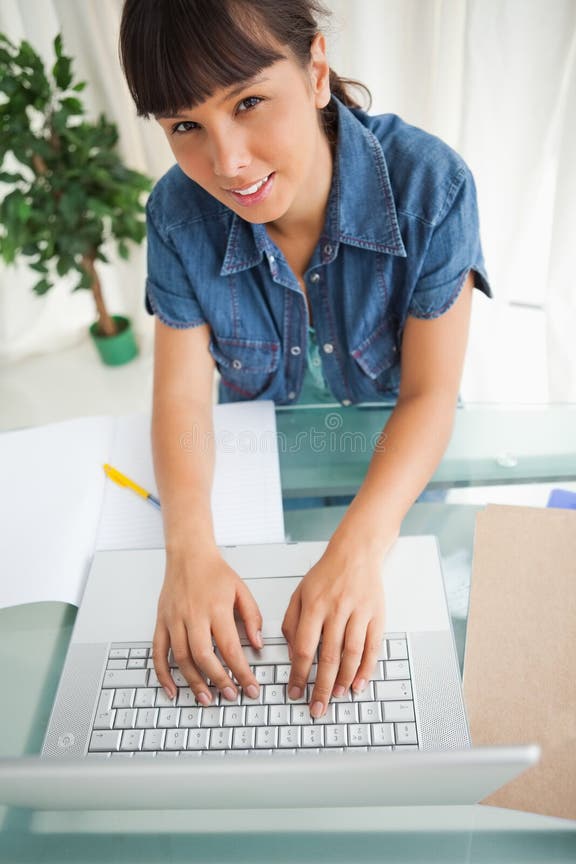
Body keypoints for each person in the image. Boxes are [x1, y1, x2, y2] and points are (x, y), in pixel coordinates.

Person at [119, 0, 491, 721]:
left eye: (250, 102)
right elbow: (182, 402)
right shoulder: (175, 215)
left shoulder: (431, 188)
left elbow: (430, 395)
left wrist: (358, 551)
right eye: (184, 126)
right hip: (265, 483)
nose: (227, 162)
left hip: (404, 476)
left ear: (315, 70)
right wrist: (189, 547)